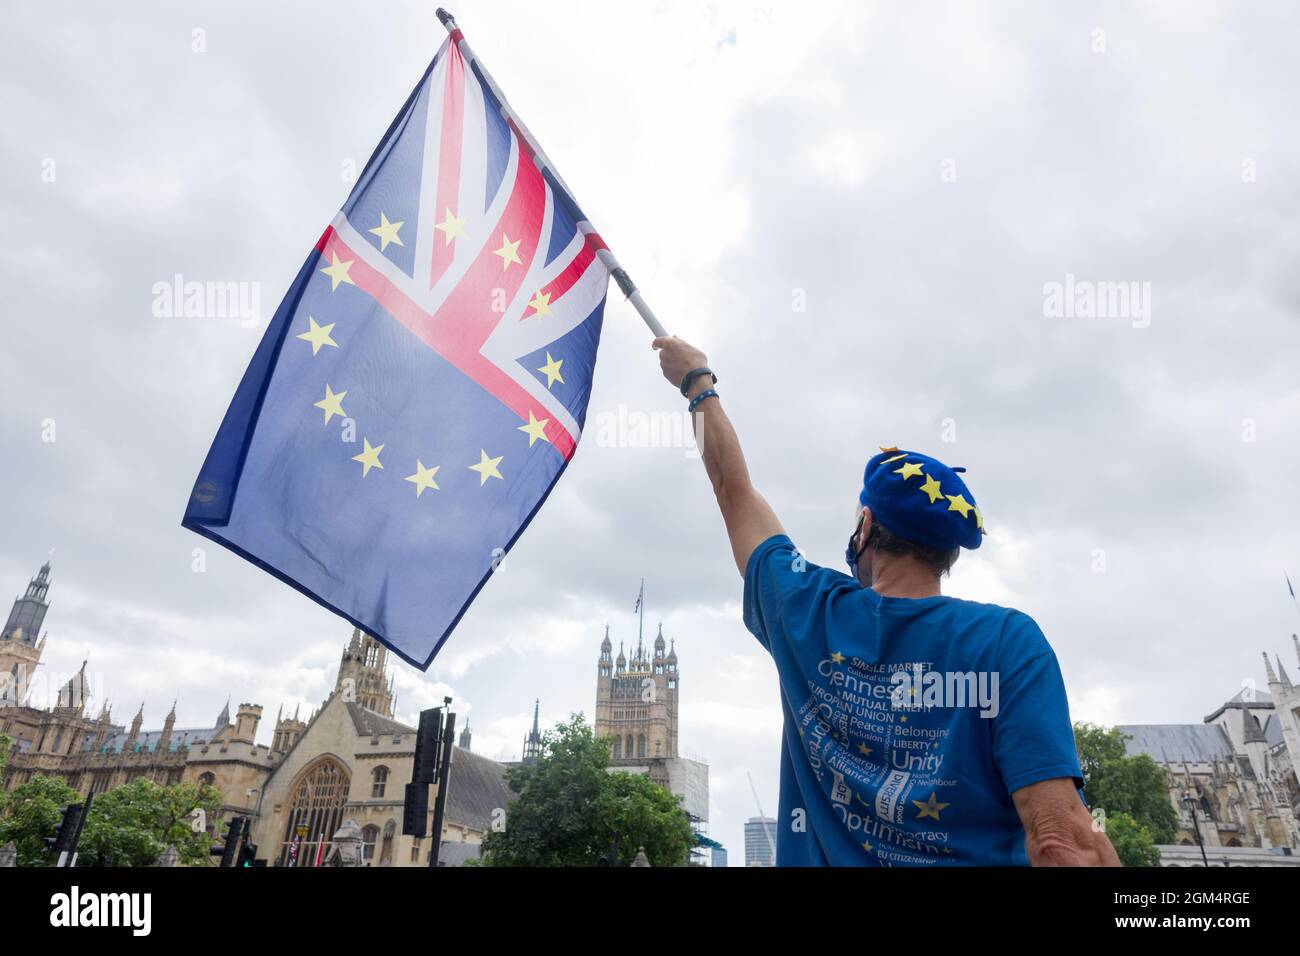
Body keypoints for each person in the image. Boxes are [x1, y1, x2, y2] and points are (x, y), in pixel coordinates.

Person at [652, 335, 1120, 867]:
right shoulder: (1010, 643)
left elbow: (733, 489)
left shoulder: (808, 609)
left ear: (866, 528)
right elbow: (1061, 844)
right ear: (949, 553)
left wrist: (698, 383)